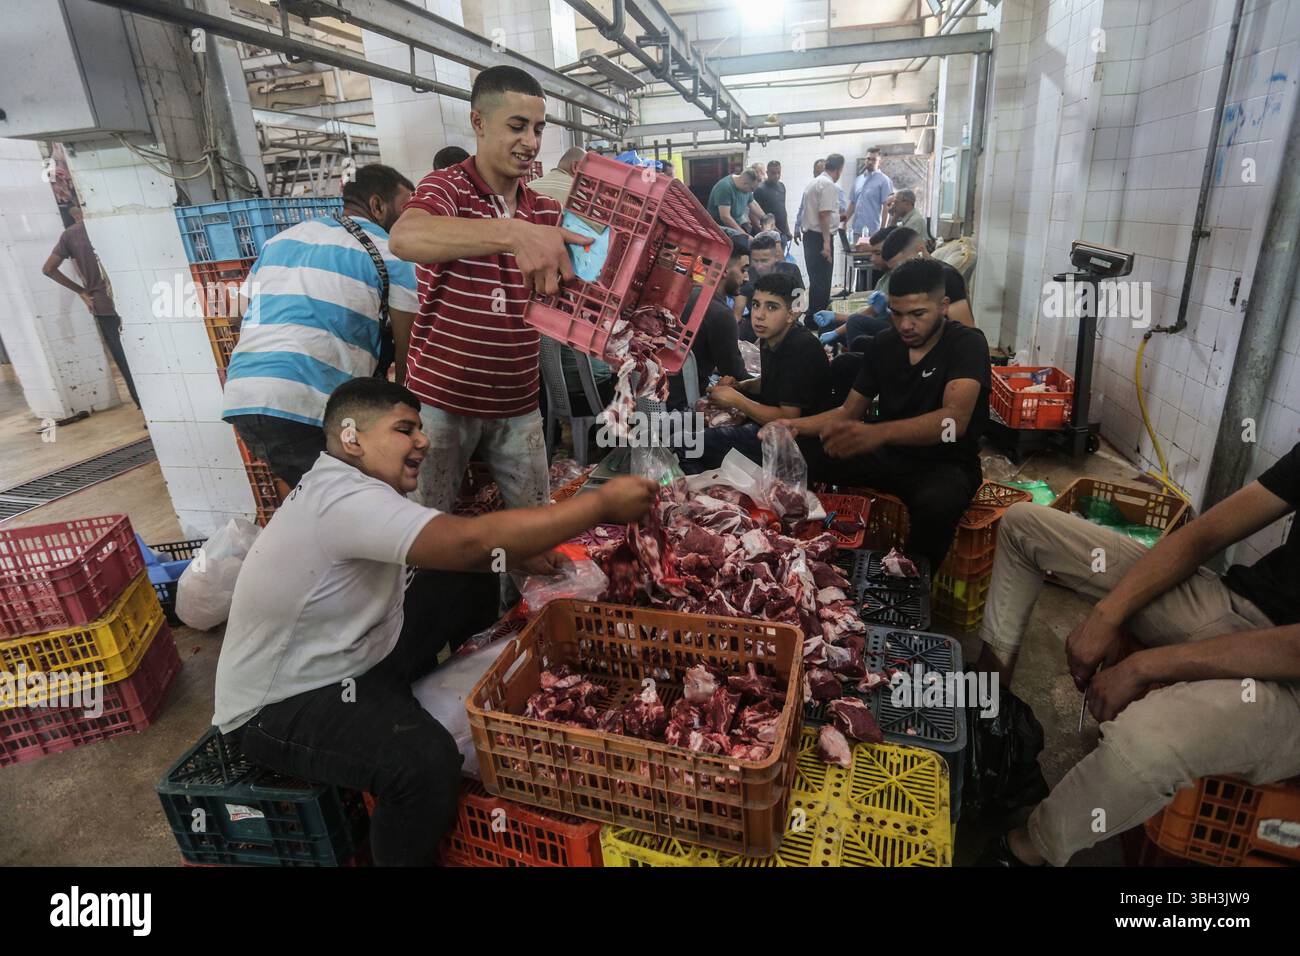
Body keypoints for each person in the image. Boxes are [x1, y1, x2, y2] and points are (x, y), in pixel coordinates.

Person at [214, 376, 657, 867]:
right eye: (405, 429)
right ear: (352, 437)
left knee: (464, 578)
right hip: (281, 704)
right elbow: (468, 541)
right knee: (424, 765)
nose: (422, 441)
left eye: (420, 429)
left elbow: (462, 554)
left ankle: (441, 694)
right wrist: (597, 505)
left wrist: (515, 558)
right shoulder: (340, 500)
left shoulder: (348, 485)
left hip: (354, 657)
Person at [977, 443, 1300, 867]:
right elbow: (1206, 534)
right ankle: (987, 717)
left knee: (1145, 741)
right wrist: (1109, 613)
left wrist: (1143, 664)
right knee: (1024, 525)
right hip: (1240, 608)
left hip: (1291, 679)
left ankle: (1028, 847)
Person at [389, 66, 589, 512]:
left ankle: (515, 581)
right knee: (426, 527)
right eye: (516, 126)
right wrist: (513, 233)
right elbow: (406, 238)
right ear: (478, 123)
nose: (531, 142)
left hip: (518, 401)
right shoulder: (448, 188)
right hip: (443, 399)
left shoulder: (545, 209)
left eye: (538, 129)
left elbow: (580, 282)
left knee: (533, 533)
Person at [780, 258, 989, 570]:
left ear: (943, 306)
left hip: (945, 464)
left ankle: (909, 585)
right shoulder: (884, 344)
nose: (905, 325)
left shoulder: (967, 344)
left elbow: (952, 424)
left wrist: (877, 432)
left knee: (938, 506)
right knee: (799, 453)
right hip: (889, 455)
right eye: (897, 313)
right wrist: (791, 426)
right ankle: (797, 554)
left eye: (918, 314)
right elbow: (848, 412)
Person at [222, 164, 419, 487]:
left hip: (245, 395)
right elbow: (406, 350)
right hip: (309, 401)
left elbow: (236, 315)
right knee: (352, 496)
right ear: (377, 206)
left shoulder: (281, 240)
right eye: (405, 210)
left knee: (307, 490)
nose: (410, 220)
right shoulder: (391, 252)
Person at [682, 272, 831, 474]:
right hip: (767, 428)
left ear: (792, 313)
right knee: (684, 426)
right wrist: (741, 387)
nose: (759, 315)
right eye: (756, 304)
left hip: (793, 445)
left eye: (772, 307)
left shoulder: (800, 348)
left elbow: (788, 416)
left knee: (689, 445)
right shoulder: (771, 338)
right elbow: (773, 381)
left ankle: (708, 501)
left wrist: (737, 400)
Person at [42, 204, 141, 411]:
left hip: (104, 306)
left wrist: (82, 291)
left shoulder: (70, 235)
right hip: (137, 301)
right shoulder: (113, 224)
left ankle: (145, 409)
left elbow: (48, 269)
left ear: (75, 215)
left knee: (125, 360)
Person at [668, 234, 748, 411]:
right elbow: (736, 374)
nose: (747, 278)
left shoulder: (686, 294)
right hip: (683, 406)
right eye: (743, 270)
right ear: (725, 269)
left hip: (656, 397)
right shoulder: (721, 314)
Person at [877, 227, 974, 327]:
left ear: (920, 252)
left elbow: (966, 327)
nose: (900, 274)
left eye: (902, 266)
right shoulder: (908, 280)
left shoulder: (947, 277)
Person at [798, 153, 845, 324]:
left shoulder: (813, 182)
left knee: (816, 280)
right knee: (822, 282)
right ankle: (816, 318)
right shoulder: (828, 185)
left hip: (810, 236)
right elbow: (824, 214)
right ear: (839, 169)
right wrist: (826, 244)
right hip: (820, 237)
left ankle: (813, 315)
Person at [732, 233, 782, 340]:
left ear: (776, 257)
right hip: (758, 325)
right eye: (755, 261)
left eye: (764, 261)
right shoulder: (747, 276)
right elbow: (737, 314)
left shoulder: (791, 271)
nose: (759, 266)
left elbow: (799, 305)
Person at [707, 167, 763, 236]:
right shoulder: (725, 187)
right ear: (745, 184)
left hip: (737, 224)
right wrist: (745, 235)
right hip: (720, 230)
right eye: (752, 189)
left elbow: (753, 204)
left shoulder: (747, 187)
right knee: (745, 242)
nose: (752, 191)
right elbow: (725, 217)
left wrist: (766, 219)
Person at [753, 160, 790, 243]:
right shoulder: (760, 189)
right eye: (773, 173)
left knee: (780, 256)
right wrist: (762, 233)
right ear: (767, 172)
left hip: (782, 233)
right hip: (768, 235)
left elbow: (783, 209)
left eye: (778, 173)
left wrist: (787, 230)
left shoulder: (782, 186)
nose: (776, 176)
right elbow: (754, 215)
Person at [792, 158, 826, 247]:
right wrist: (796, 228)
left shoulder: (831, 190)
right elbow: (802, 209)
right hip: (808, 235)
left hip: (822, 235)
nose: (818, 176)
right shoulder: (809, 188)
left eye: (821, 173)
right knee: (810, 261)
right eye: (816, 173)